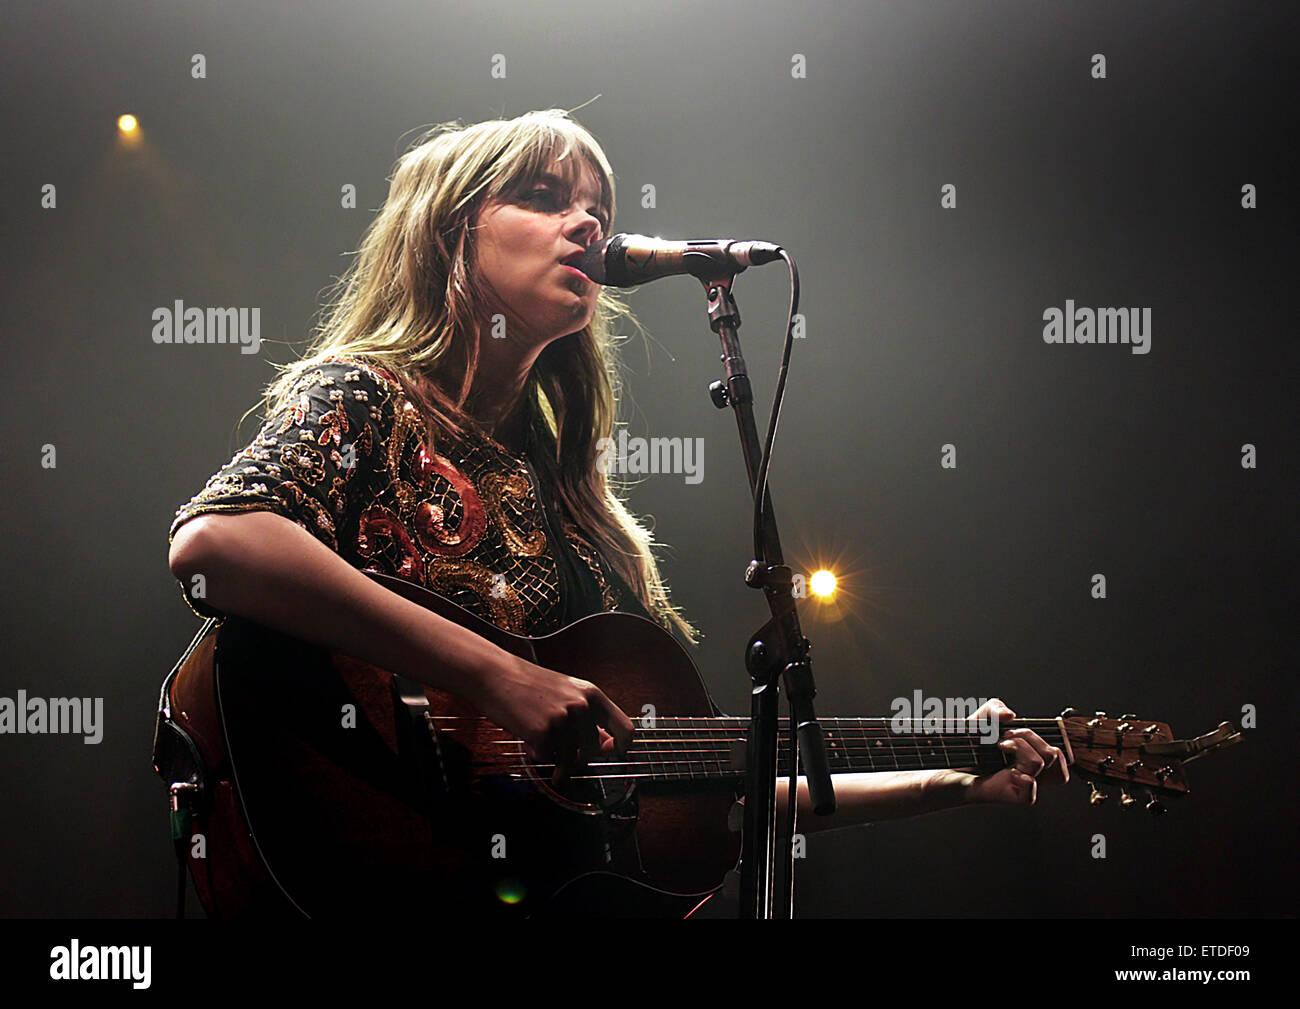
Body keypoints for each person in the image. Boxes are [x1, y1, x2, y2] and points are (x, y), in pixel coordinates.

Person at [166, 109, 1067, 861]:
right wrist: (503, 676)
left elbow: (697, 782)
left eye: (599, 207)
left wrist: (947, 776)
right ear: (449, 226)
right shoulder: (364, 394)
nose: (591, 224)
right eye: (545, 198)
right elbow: (215, 544)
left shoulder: (575, 505)